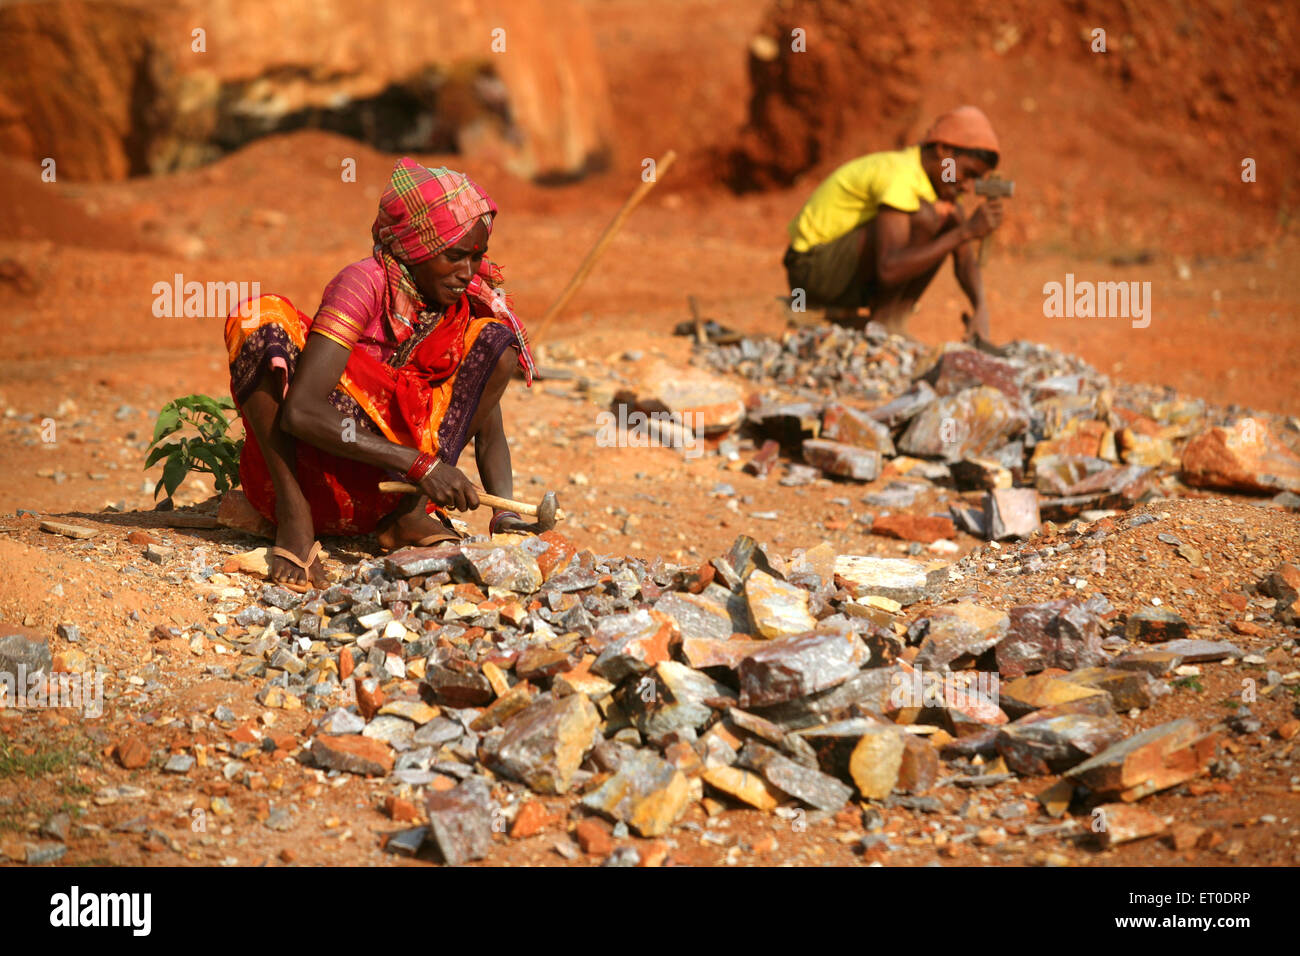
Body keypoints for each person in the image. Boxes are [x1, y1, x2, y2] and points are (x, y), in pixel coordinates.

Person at [223, 158, 537, 592]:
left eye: (477, 257)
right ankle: (295, 523)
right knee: (261, 319)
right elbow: (301, 411)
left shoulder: (455, 306)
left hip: (397, 494)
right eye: (455, 256)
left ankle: (407, 521)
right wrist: (421, 464)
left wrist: (506, 514)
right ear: (416, 247)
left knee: (494, 348)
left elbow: (490, 431)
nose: (468, 273)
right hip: (320, 478)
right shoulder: (362, 284)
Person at [783, 105, 1005, 342]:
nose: (968, 187)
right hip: (810, 271)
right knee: (927, 218)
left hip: (839, 275)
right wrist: (965, 231)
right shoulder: (899, 175)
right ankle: (885, 320)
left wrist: (980, 308)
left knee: (947, 218)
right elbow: (889, 268)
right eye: (967, 174)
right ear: (943, 151)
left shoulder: (938, 184)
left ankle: (895, 319)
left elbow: (964, 257)